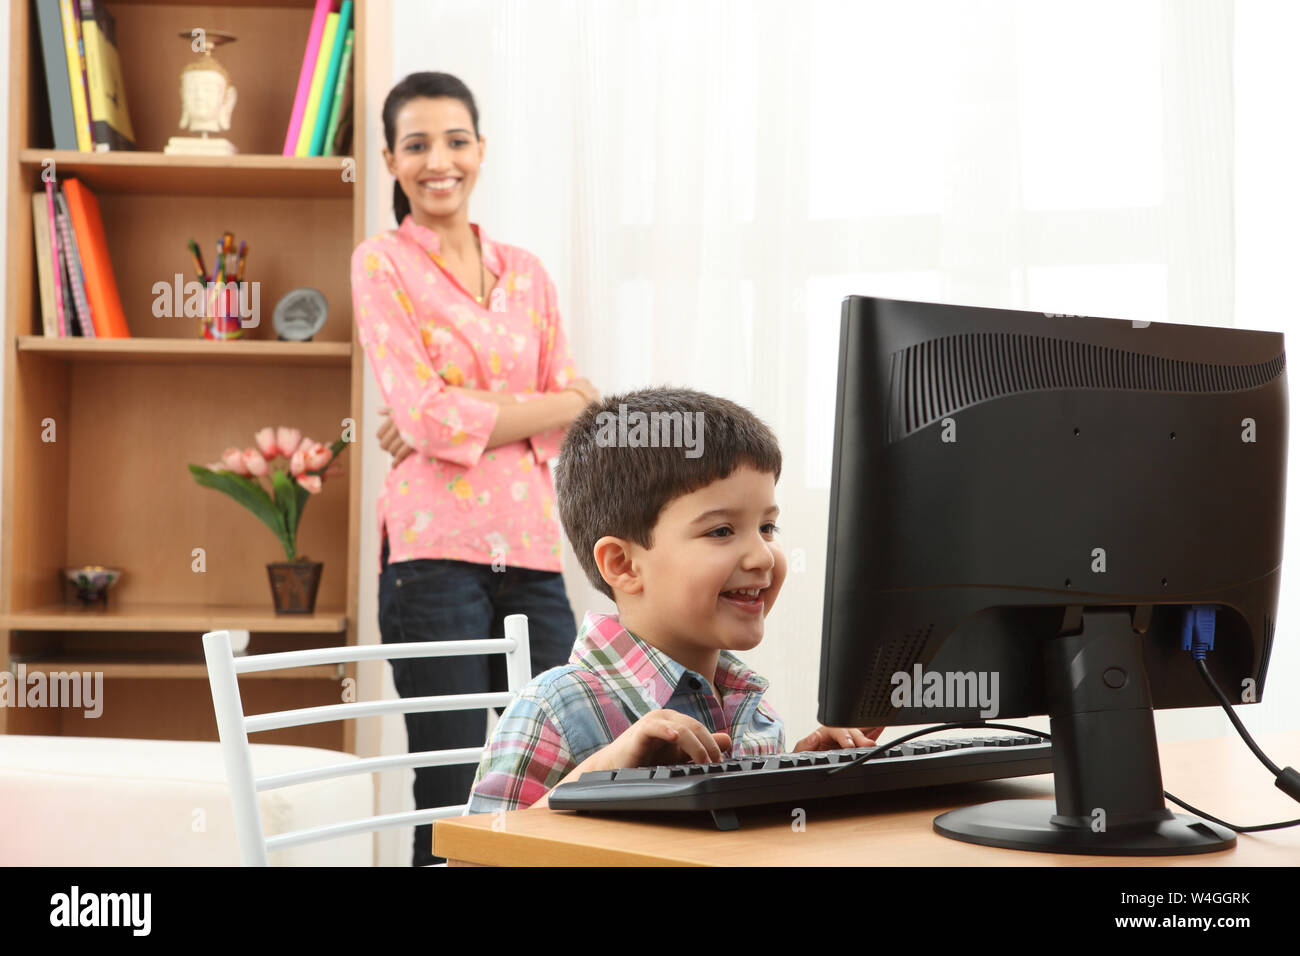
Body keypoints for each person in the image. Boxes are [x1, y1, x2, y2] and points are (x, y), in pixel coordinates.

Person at [350, 71, 598, 865]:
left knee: (569, 775)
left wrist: (467, 412)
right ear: (390, 158)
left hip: (530, 552)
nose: (438, 160)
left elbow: (575, 420)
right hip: (434, 563)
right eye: (416, 144)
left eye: (455, 140)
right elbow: (424, 414)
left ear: (480, 149)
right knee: (453, 789)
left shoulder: (526, 270)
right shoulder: (381, 263)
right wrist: (545, 401)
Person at [466, 387, 884, 814]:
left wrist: (809, 774)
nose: (762, 556)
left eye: (767, 527)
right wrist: (602, 776)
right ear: (623, 564)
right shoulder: (554, 710)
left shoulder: (755, 714)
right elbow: (473, 858)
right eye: (721, 531)